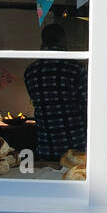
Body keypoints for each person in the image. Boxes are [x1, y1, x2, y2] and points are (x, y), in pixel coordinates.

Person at [22, 23, 87, 161]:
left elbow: (35, 100)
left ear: (43, 40)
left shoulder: (31, 71)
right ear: (63, 40)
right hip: (74, 142)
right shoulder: (75, 68)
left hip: (46, 143)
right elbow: (87, 104)